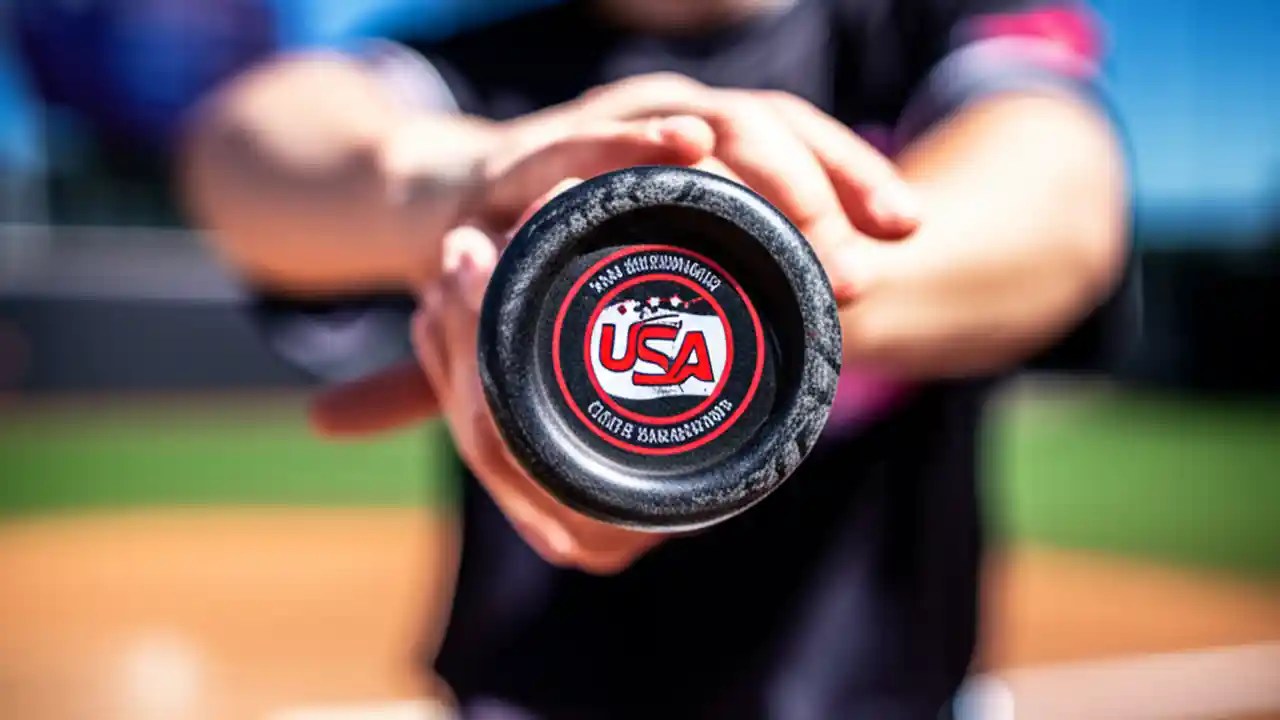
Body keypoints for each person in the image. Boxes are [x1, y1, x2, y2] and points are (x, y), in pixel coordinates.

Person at [181, 0, 1129, 716]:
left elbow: (1064, 198)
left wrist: (788, 275)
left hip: (880, 689)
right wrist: (471, 189)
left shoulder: (920, 30)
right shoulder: (480, 63)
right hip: (539, 691)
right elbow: (243, 147)